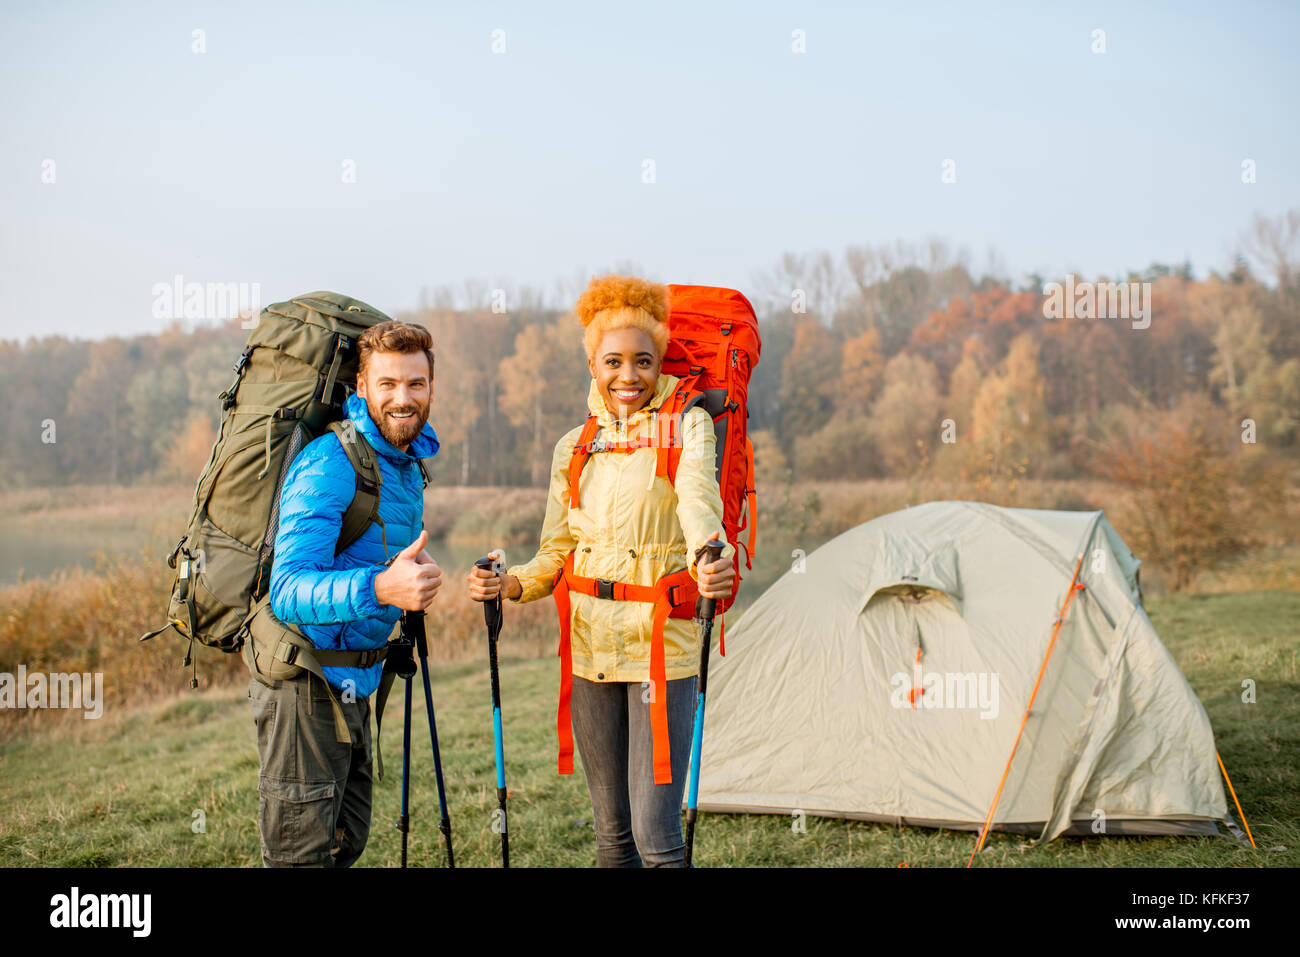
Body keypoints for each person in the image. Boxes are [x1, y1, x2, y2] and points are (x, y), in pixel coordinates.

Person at [467, 275, 734, 867]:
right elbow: (555, 551)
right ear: (593, 362)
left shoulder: (686, 426)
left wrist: (711, 555)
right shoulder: (574, 445)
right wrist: (509, 583)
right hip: (589, 650)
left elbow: (697, 503)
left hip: (660, 649)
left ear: (659, 360)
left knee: (655, 837)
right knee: (611, 838)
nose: (629, 376)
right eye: (613, 361)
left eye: (643, 361)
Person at [250, 319, 443, 867]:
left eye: (416, 384)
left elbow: (368, 551)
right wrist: (384, 585)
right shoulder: (330, 462)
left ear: (431, 387)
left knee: (345, 841)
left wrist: (411, 575)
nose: (403, 399)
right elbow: (287, 589)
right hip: (305, 682)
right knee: (301, 857)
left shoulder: (403, 464)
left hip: (357, 680)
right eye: (387, 384)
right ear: (362, 389)